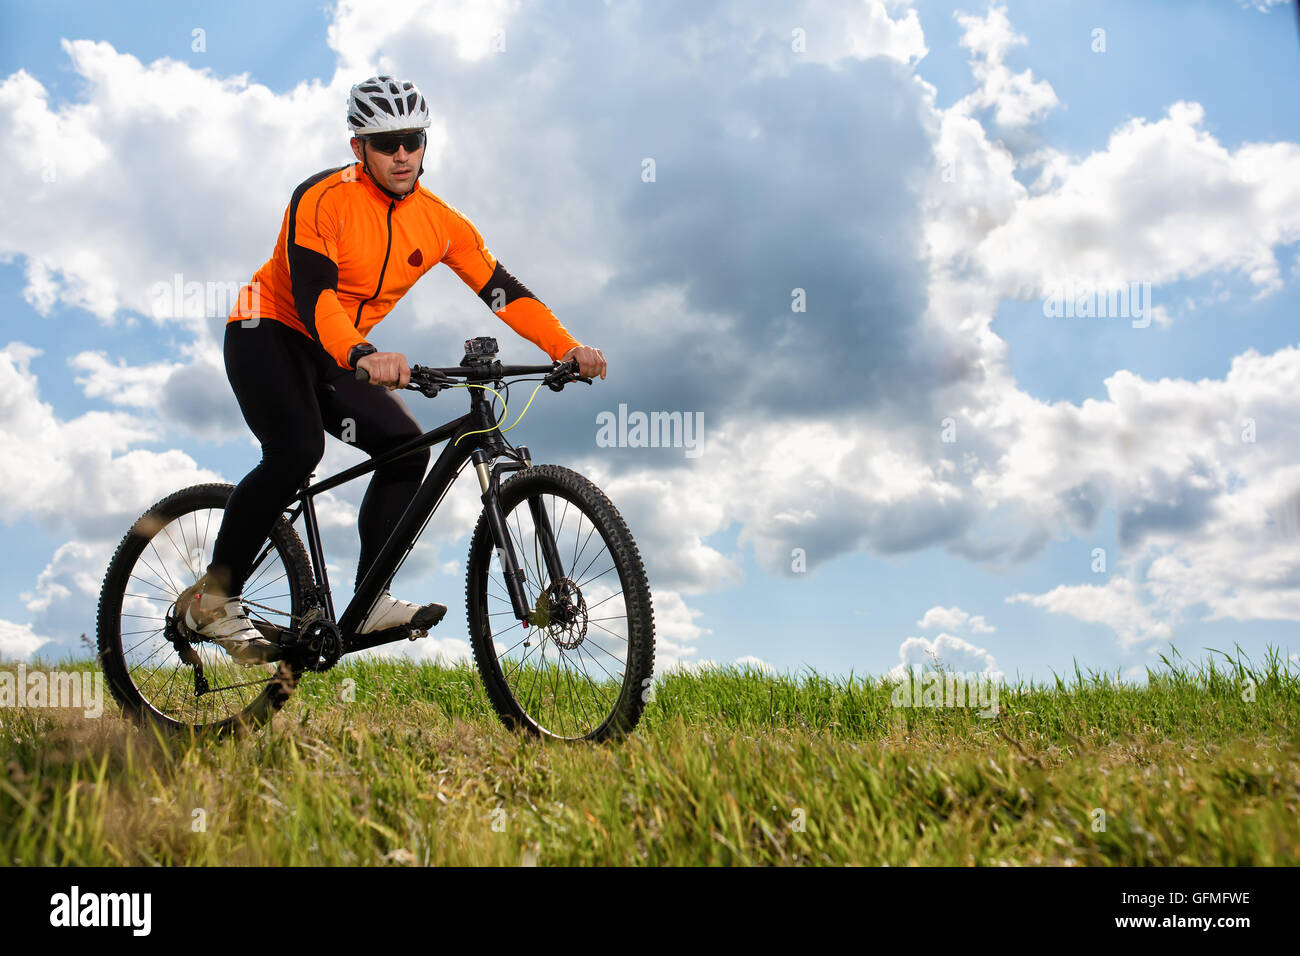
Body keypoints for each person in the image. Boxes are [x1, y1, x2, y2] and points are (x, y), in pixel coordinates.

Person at [176, 75, 607, 664]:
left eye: (411, 139)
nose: (401, 154)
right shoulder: (323, 198)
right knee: (296, 450)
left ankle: (368, 598)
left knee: (405, 448)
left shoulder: (439, 222)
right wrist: (359, 354)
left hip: (339, 349)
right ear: (359, 148)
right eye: (385, 143)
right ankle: (214, 596)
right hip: (267, 329)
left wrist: (567, 346)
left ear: (425, 143)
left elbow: (503, 292)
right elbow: (314, 296)